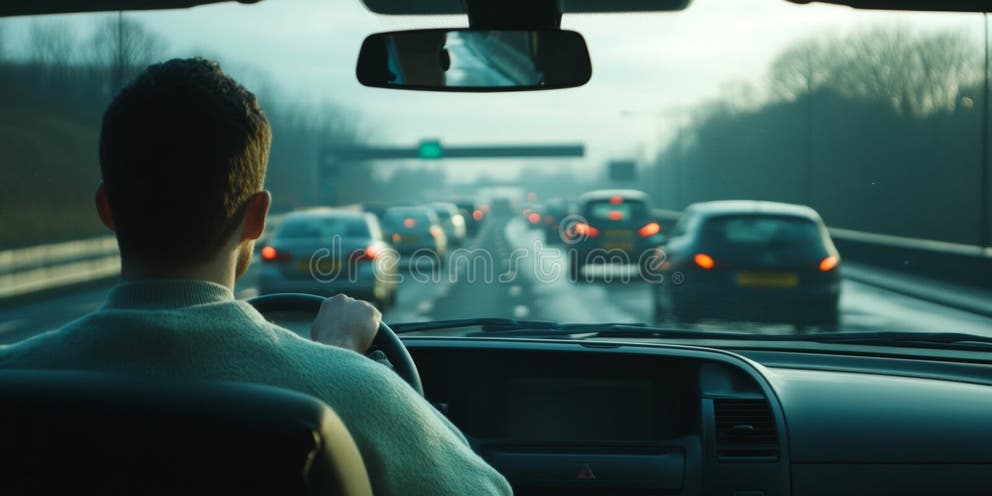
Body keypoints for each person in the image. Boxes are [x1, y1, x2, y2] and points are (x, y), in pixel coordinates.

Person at [0, 58, 511, 496]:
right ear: (257, 217)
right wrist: (337, 366)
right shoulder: (354, 393)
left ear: (107, 209)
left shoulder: (15, 380)